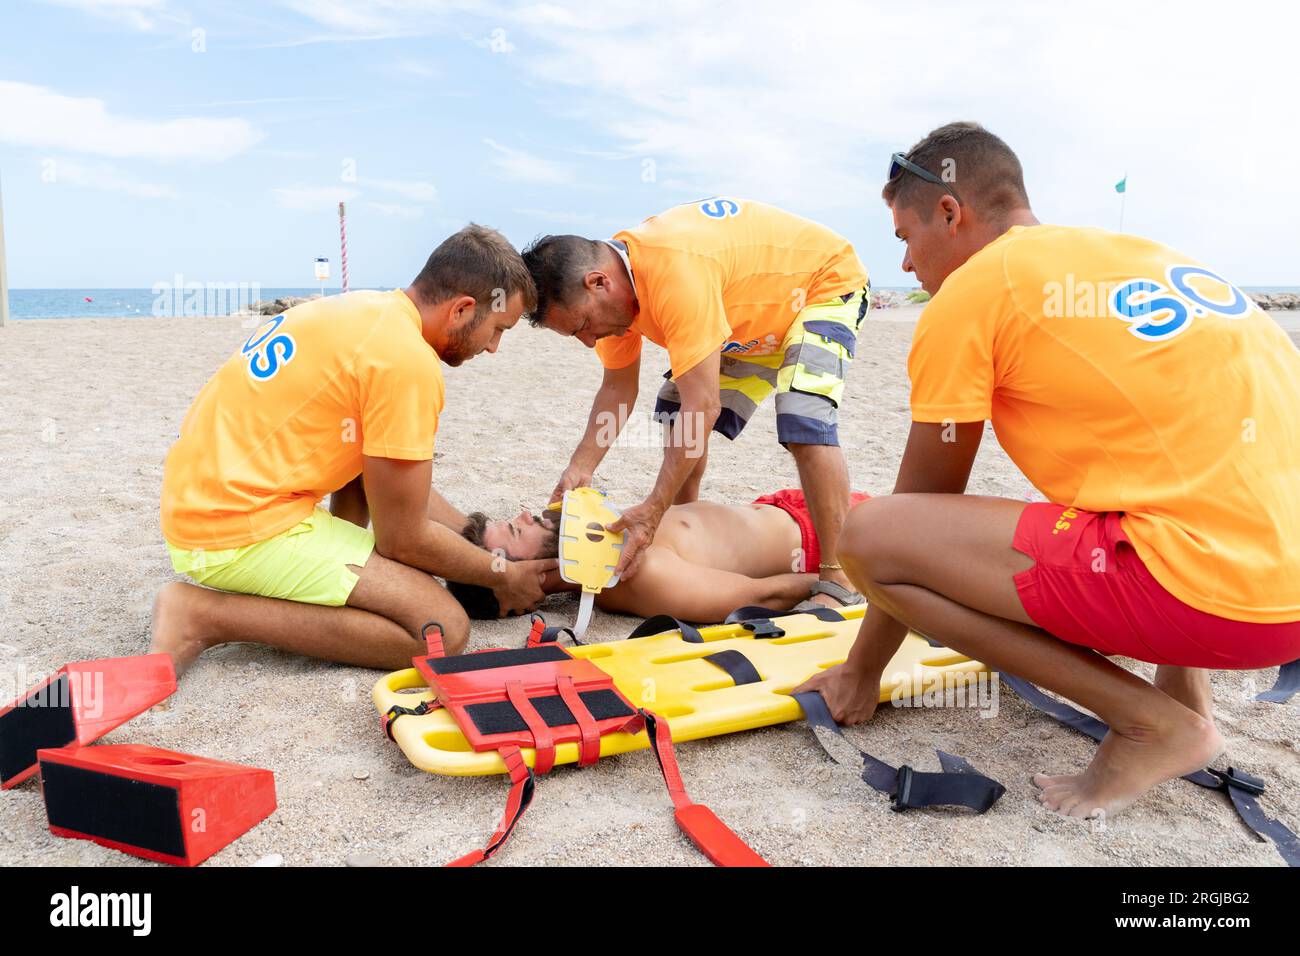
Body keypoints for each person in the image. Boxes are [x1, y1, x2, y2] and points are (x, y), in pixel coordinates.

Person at [796, 122, 1300, 821]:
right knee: (1157, 482)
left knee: (867, 535)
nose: (907, 266)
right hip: (1280, 613)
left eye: (905, 238)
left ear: (951, 211)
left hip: (1212, 602)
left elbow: (914, 513)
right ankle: (1182, 699)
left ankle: (1150, 722)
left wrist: (861, 674)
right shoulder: (1143, 256)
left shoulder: (975, 290)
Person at [150, 225, 555, 674]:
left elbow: (371, 475)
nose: (494, 347)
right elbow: (404, 539)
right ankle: (202, 615)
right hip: (234, 529)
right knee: (440, 630)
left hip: (200, 501)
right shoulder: (406, 362)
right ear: (462, 309)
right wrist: (504, 575)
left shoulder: (367, 311)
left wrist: (464, 539)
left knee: (397, 567)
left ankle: (296, 584)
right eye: (498, 328)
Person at [522, 199, 870, 608]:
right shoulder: (617, 293)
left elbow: (703, 407)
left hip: (822, 285)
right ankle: (693, 532)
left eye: (582, 326)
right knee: (673, 411)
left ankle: (838, 578)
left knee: (802, 415)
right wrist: (580, 468)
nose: (587, 340)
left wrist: (653, 508)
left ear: (599, 283)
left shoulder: (672, 271)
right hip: (749, 320)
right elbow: (617, 389)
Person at [445, 488, 871, 622]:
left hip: (783, 505)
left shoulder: (592, 537)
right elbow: (763, 597)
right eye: (516, 529)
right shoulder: (629, 577)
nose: (524, 513)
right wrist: (847, 579)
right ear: (523, 581)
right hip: (825, 535)